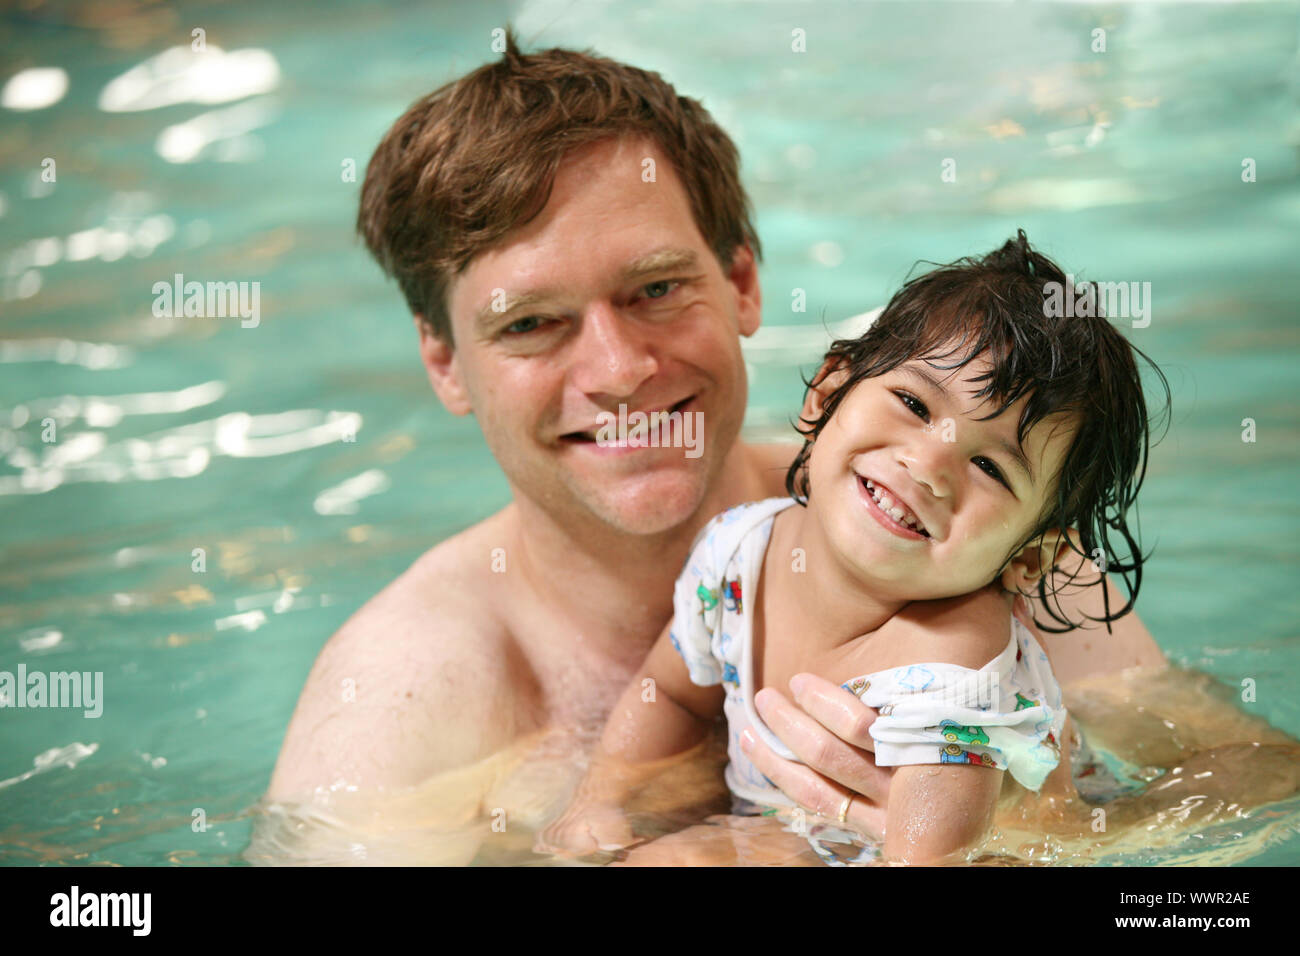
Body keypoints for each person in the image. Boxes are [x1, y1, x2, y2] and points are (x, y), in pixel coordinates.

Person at [262, 31, 1166, 858]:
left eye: (655, 289)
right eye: (532, 322)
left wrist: (1045, 832)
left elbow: (1246, 822)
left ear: (740, 281)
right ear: (445, 363)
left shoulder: (979, 544)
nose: (618, 371)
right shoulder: (401, 711)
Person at [538, 232, 1167, 865]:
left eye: (990, 467)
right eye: (914, 403)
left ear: (1029, 558)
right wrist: (603, 798)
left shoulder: (954, 671)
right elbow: (671, 693)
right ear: (828, 391)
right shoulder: (736, 557)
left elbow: (926, 863)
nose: (927, 466)